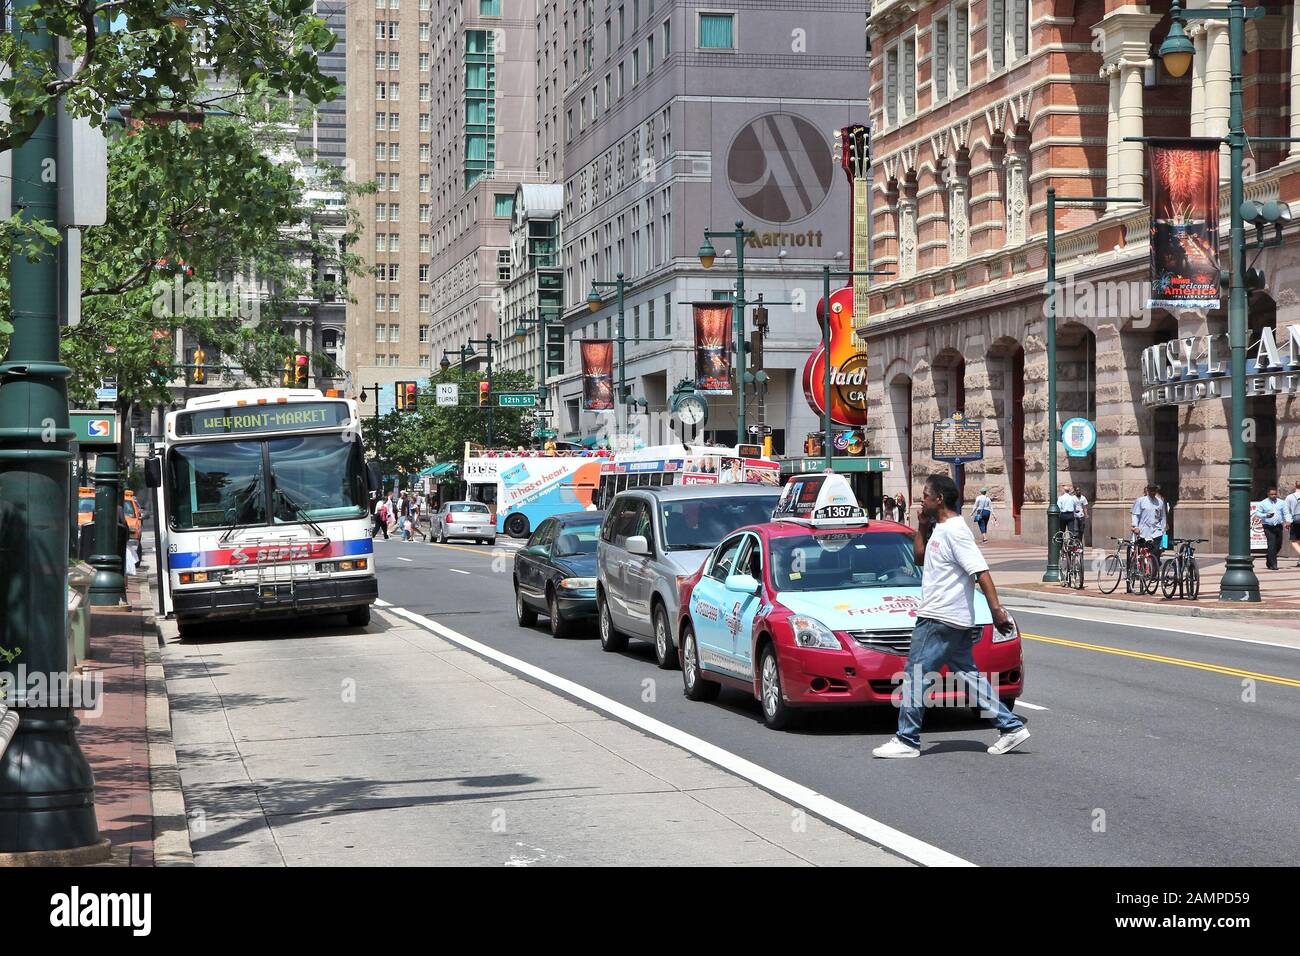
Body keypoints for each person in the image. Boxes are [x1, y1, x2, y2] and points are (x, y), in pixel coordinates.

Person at [873, 473, 1029, 758]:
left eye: (925, 496)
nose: (922, 501)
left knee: (915, 675)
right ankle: (1010, 727)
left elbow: (980, 571)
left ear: (939, 499)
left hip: (940, 615)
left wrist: (996, 610)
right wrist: (921, 526)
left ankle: (907, 740)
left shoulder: (956, 531)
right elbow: (919, 559)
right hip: (950, 617)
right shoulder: (939, 530)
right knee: (968, 676)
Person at [1252, 486, 1292, 571]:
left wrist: (1288, 521)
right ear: (1268, 494)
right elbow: (1258, 513)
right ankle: (1273, 564)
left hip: (1278, 525)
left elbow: (1286, 513)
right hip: (1268, 526)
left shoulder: (1281, 502)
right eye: (1272, 494)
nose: (1274, 496)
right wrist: (1265, 515)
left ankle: (1269, 556)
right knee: (1272, 544)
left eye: (1275, 494)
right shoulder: (1263, 503)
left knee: (1278, 544)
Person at [1130, 484, 1166, 562]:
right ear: (1148, 490)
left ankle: (1154, 571)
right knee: (1142, 553)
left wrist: (1163, 529)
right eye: (1151, 490)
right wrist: (1135, 526)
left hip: (1156, 531)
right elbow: (1135, 514)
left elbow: (1163, 517)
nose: (1153, 492)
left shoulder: (1160, 502)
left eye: (1154, 490)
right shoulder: (1141, 500)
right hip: (1143, 531)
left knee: (1155, 554)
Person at [1285, 481, 1300, 568]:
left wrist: (1288, 521)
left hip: (1296, 520)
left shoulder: (1290, 497)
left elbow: (1287, 511)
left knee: (1294, 541)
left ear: (1295, 486)